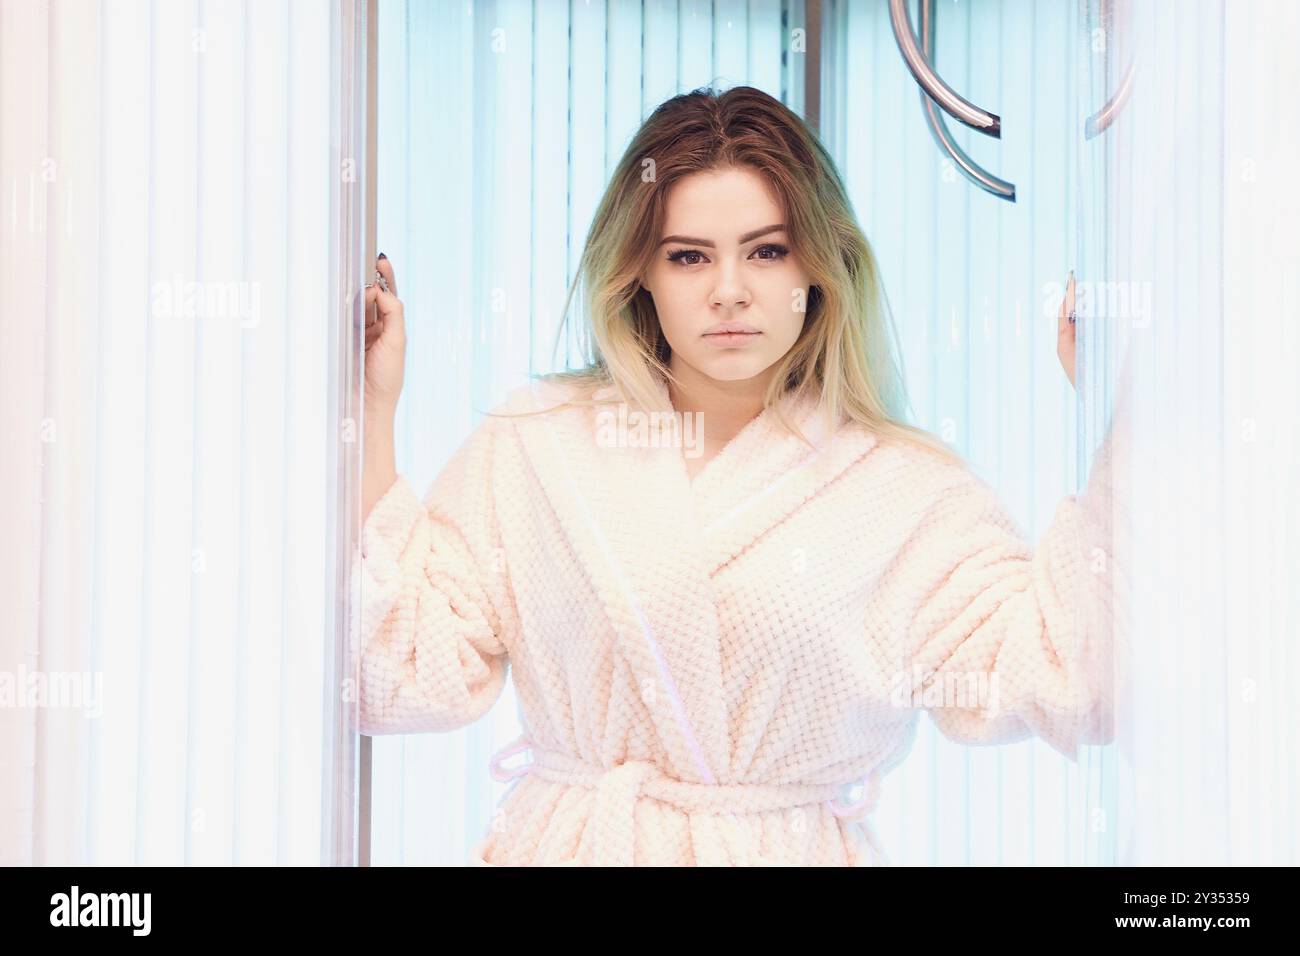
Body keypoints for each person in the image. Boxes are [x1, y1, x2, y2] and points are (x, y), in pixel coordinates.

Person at [356, 85, 1116, 866]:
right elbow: (398, 671)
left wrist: (1118, 414)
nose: (729, 291)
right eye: (688, 256)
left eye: (767, 251)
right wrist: (372, 410)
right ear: (639, 273)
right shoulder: (536, 447)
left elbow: (1072, 677)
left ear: (821, 266)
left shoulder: (907, 490)